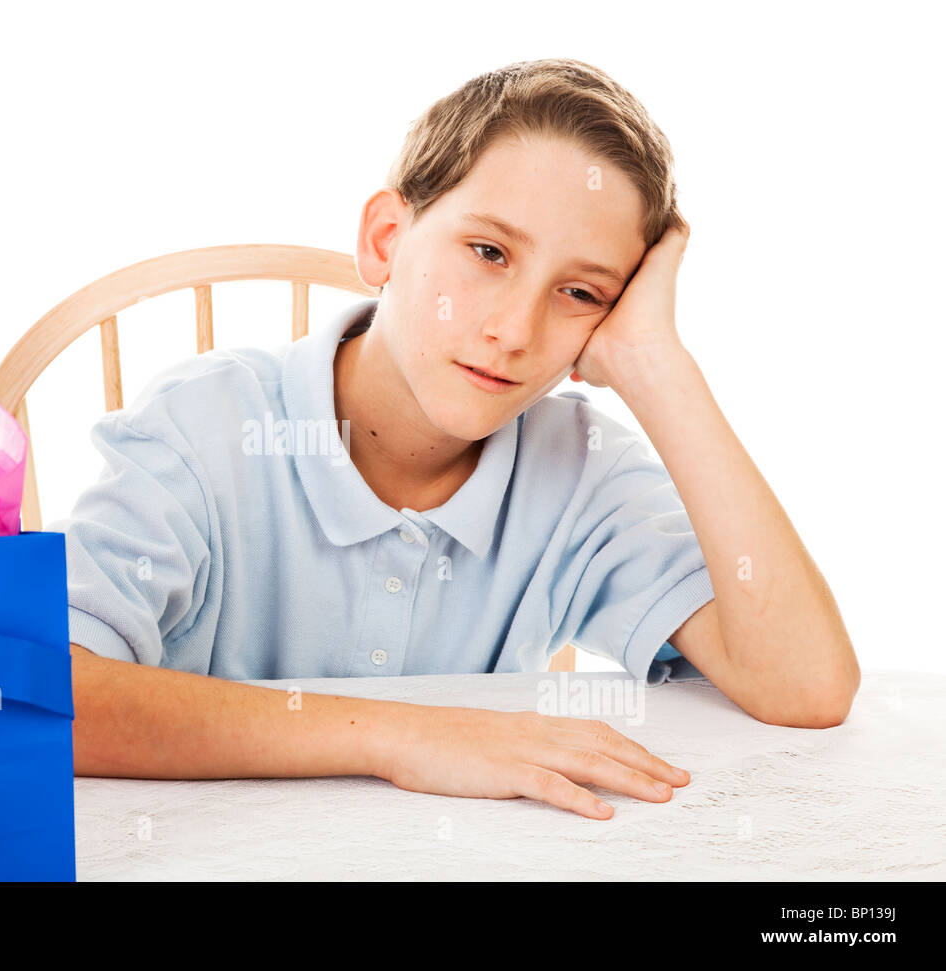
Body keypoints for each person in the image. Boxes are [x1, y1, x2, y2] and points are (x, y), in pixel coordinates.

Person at [52, 58, 860, 819]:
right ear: (386, 239)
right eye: (488, 251)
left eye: (580, 292)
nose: (513, 328)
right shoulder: (206, 426)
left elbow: (807, 686)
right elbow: (52, 692)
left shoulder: (580, 470)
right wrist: (404, 735)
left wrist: (659, 366)